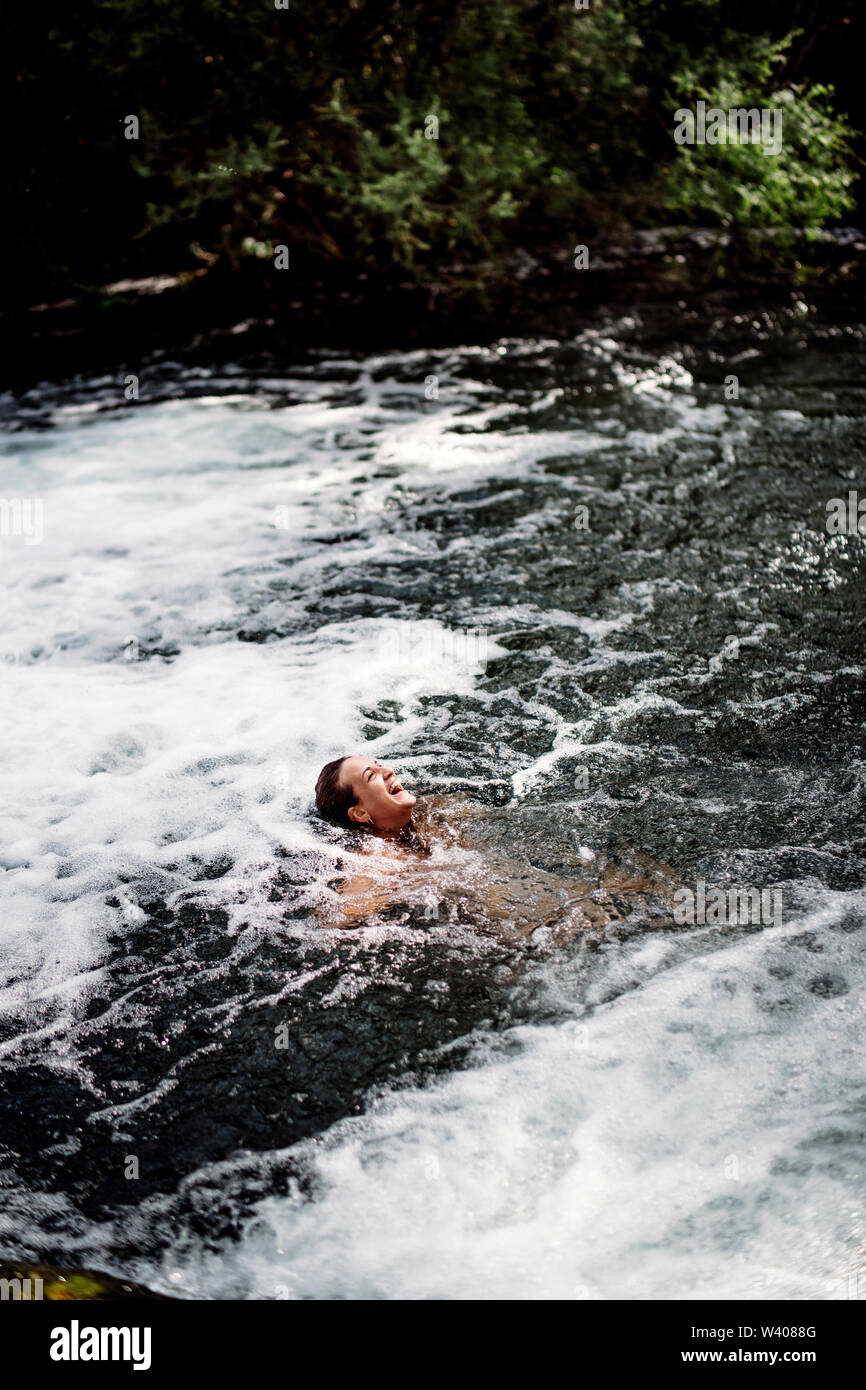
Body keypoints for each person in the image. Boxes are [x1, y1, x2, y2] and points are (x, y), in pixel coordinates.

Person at [315, 756, 417, 834]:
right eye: (371, 775)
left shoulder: (427, 811)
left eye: (379, 766)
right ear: (360, 813)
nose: (389, 770)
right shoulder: (378, 860)